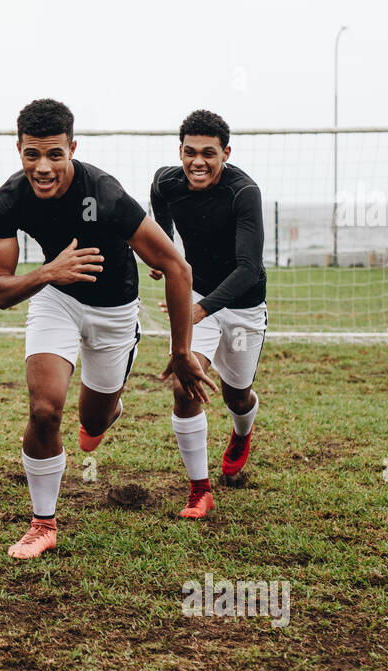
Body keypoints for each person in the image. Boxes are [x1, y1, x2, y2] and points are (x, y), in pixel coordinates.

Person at [0, 99, 214, 559]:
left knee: (91, 423)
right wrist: (49, 273)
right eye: (32, 155)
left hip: (114, 314)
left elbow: (176, 266)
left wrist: (181, 350)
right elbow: (0, 291)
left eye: (54, 154)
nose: (43, 167)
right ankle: (43, 524)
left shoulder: (105, 193)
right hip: (57, 301)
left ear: (72, 148)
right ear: (19, 150)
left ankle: (109, 410)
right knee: (45, 411)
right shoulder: (8, 200)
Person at [150, 109, 267, 519]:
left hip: (243, 306)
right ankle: (199, 489)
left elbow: (249, 268)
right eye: (189, 152)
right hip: (197, 296)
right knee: (186, 384)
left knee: (236, 395)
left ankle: (241, 432)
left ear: (225, 153)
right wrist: (164, 253)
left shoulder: (243, 192)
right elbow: (160, 209)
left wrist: (201, 308)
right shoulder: (167, 181)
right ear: (179, 151)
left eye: (208, 153)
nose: (197, 161)